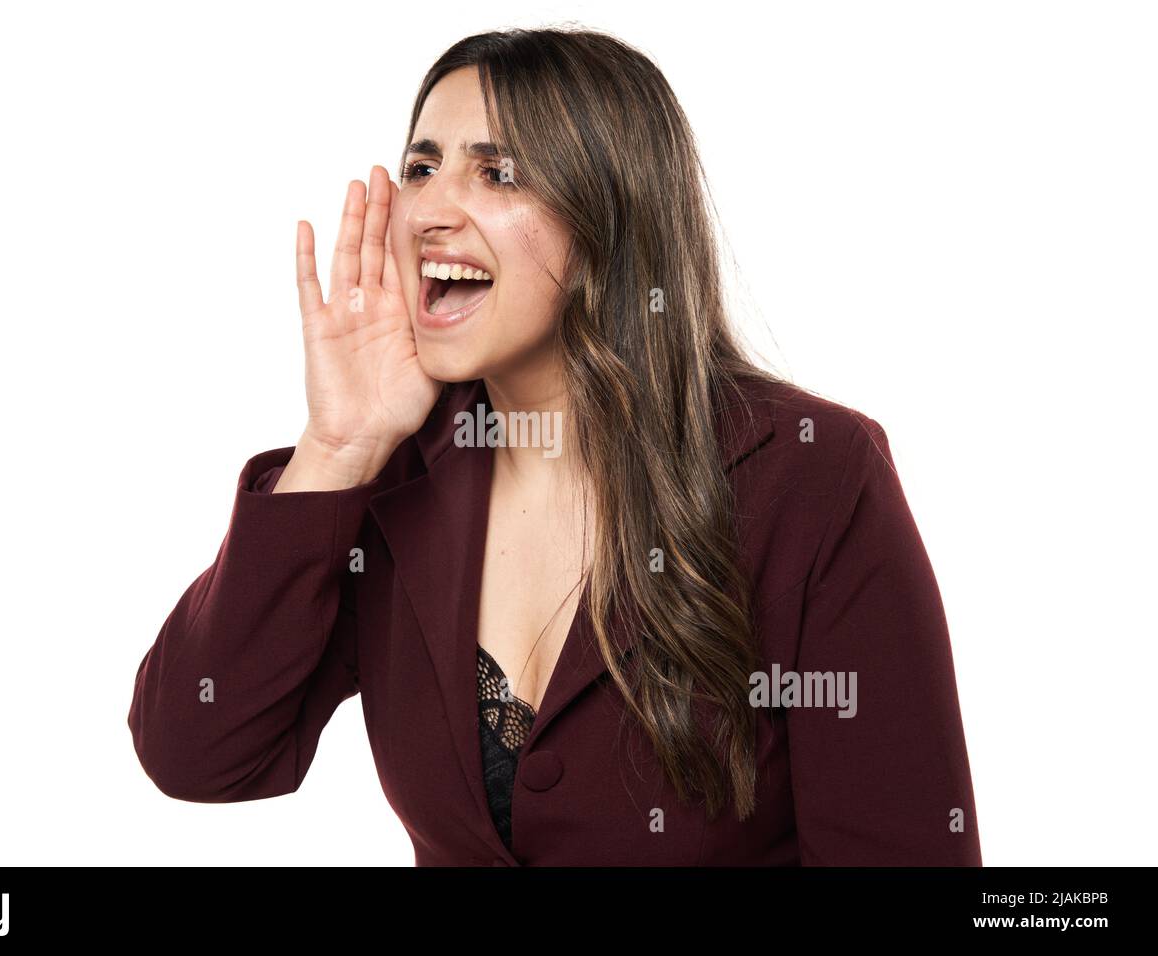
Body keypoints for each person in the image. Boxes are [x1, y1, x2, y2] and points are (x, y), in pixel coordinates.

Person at [127, 27, 981, 866]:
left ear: (608, 220)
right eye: (422, 167)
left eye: (497, 172)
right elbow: (197, 751)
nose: (430, 209)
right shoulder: (400, 476)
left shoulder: (813, 475)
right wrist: (335, 447)